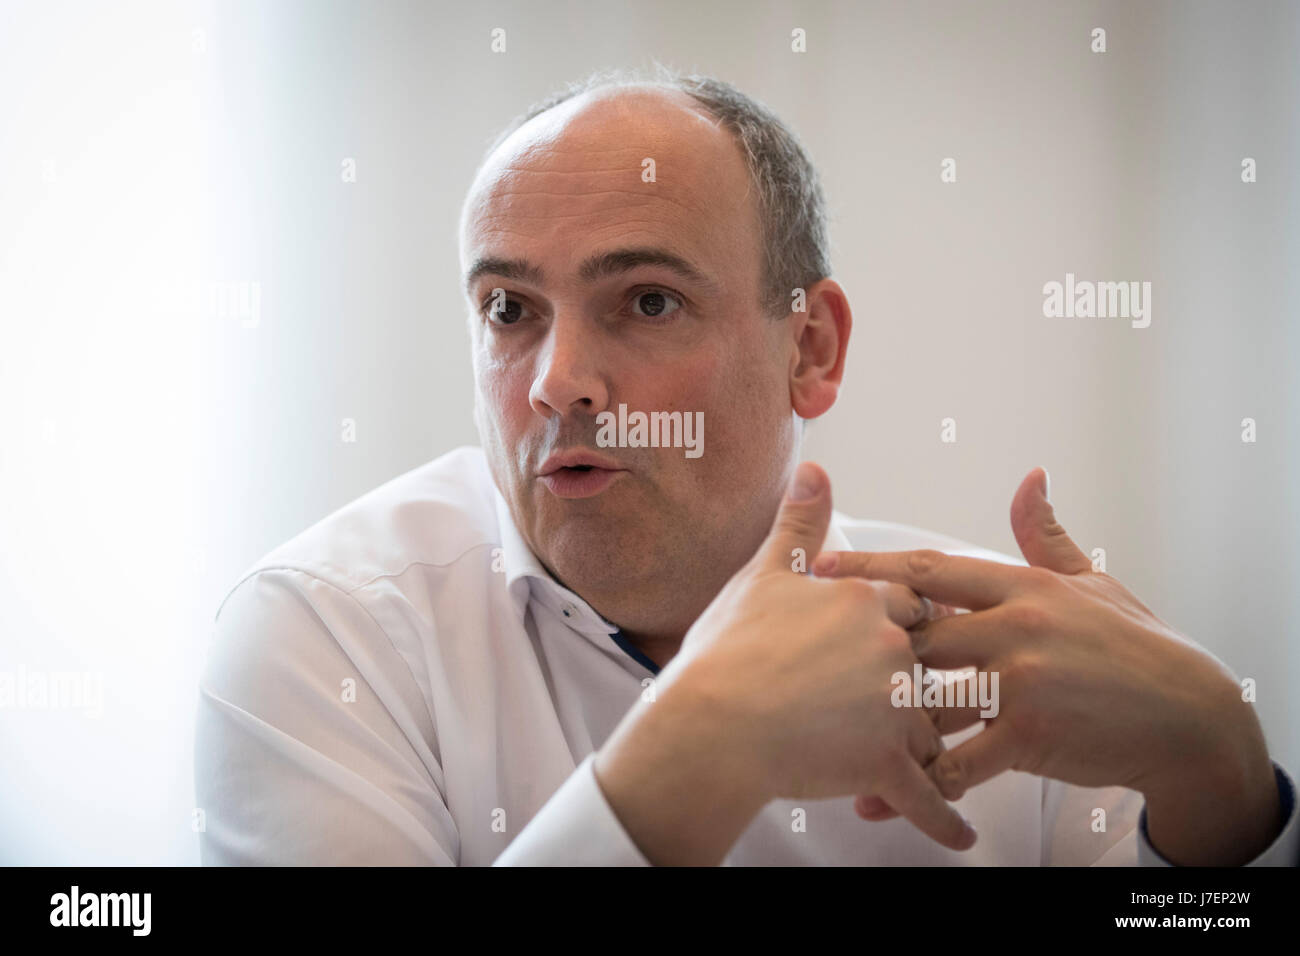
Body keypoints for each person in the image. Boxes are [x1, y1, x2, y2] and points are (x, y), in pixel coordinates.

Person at [194, 69, 1297, 866]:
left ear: (809, 348)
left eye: (648, 300)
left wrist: (1222, 794)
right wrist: (701, 742)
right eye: (510, 310)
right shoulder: (326, 633)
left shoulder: (1010, 671)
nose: (557, 383)